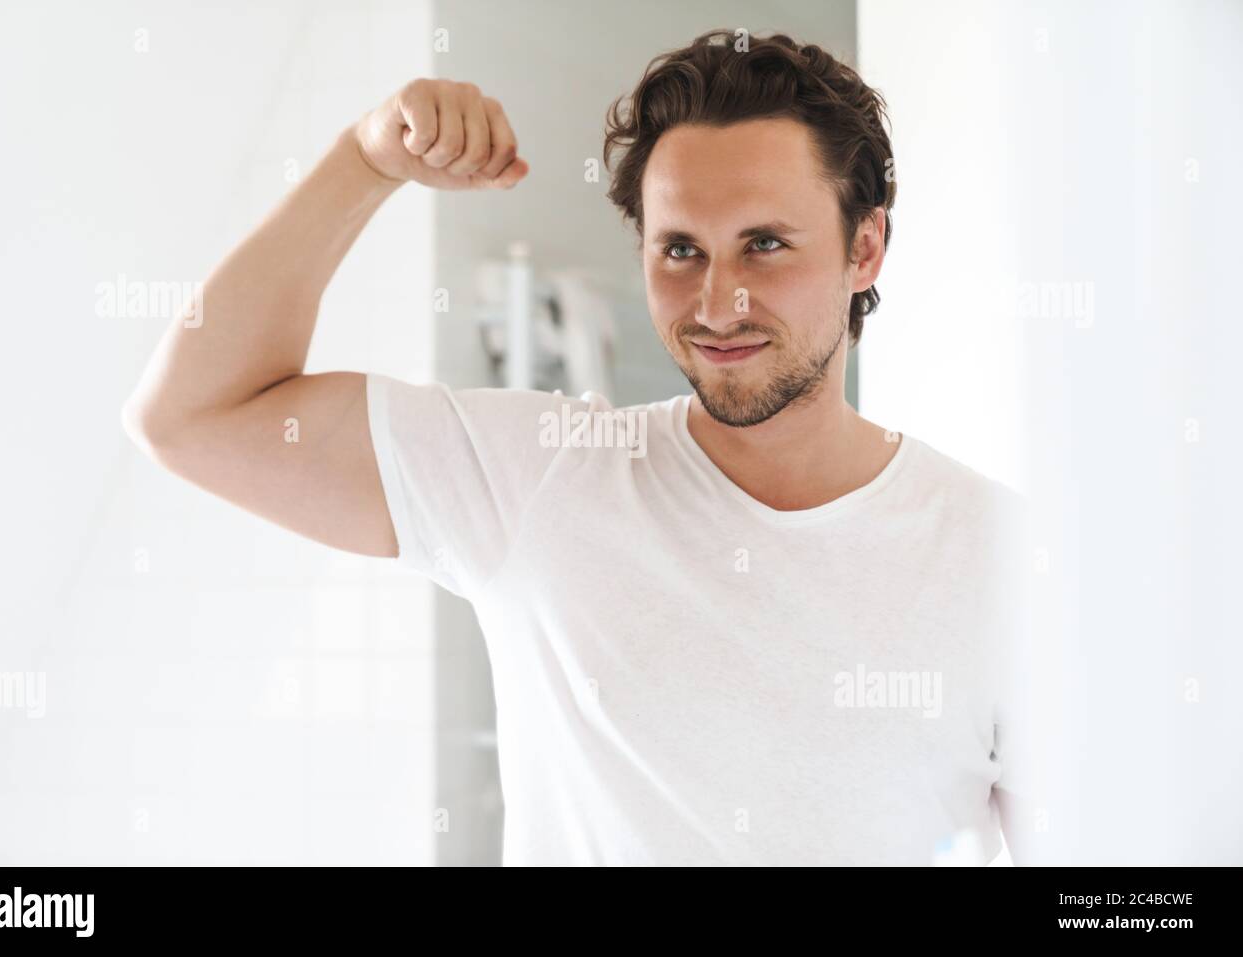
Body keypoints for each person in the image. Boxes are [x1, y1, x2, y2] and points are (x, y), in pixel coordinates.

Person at [123, 29, 1033, 866]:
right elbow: (195, 415)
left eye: (764, 244)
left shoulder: (1005, 555)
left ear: (864, 247)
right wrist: (364, 162)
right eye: (681, 249)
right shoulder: (541, 476)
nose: (719, 303)